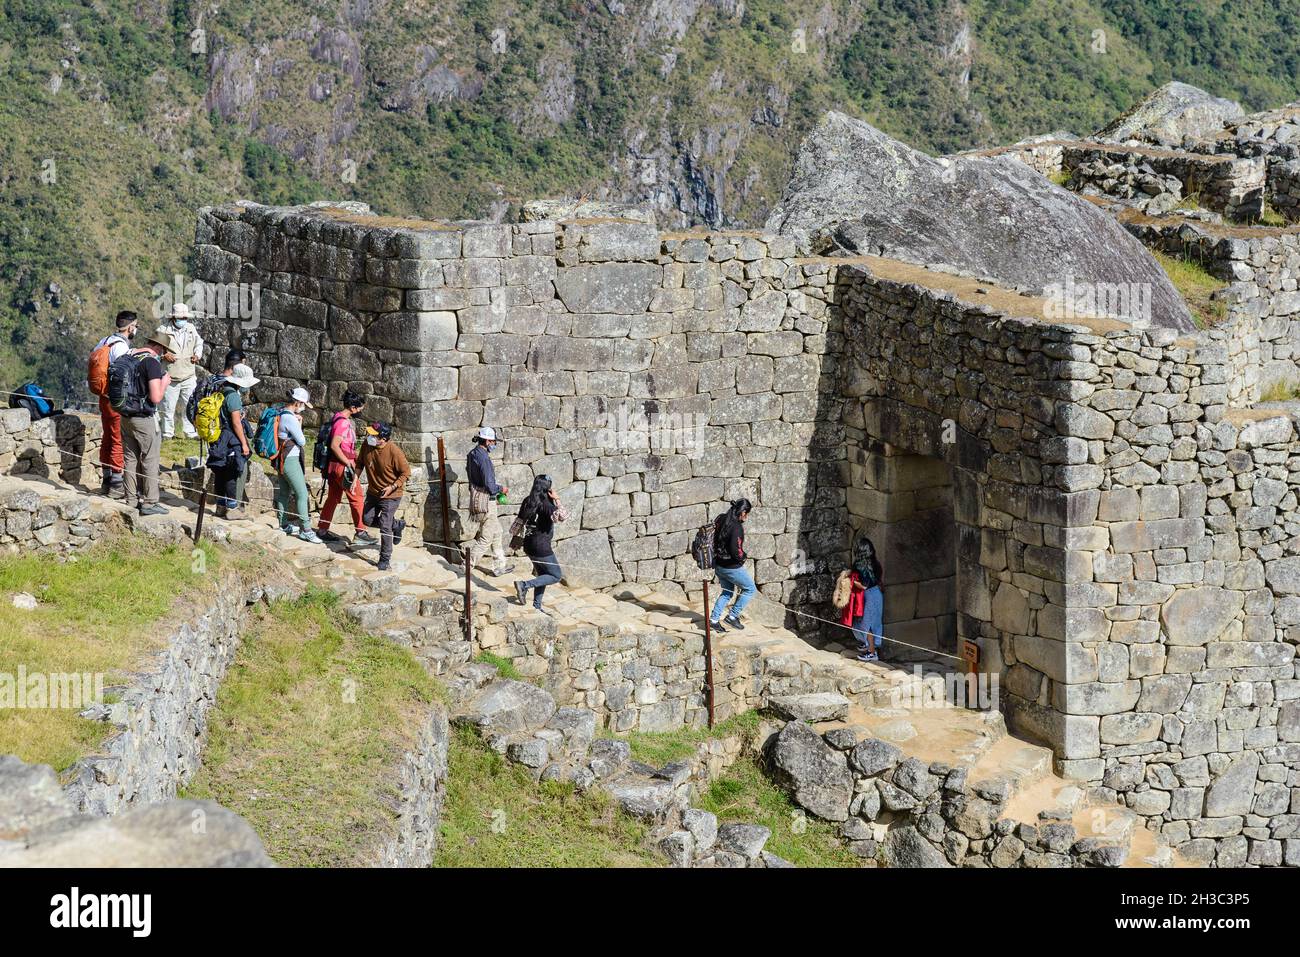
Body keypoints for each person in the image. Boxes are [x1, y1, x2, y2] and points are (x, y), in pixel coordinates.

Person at [115, 329, 172, 516]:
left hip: (125, 415)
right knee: (150, 459)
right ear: (159, 347)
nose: (163, 354)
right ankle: (150, 502)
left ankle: (130, 499)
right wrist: (164, 382)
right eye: (163, 350)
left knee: (130, 459)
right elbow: (155, 397)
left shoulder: (129, 355)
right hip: (143, 418)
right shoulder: (151, 363)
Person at [315, 389, 376, 546]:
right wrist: (348, 463)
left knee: (333, 498)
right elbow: (335, 445)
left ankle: (322, 529)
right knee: (357, 498)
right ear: (353, 407)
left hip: (333, 466)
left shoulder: (336, 417)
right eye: (360, 407)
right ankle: (361, 532)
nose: (361, 410)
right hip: (342, 465)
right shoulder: (343, 422)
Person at [91, 310, 137, 497]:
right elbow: (123, 376)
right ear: (131, 327)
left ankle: (107, 479)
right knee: (119, 438)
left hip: (103, 397)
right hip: (116, 400)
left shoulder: (103, 341)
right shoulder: (121, 348)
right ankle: (117, 485)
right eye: (136, 326)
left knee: (107, 437)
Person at [358, 421, 410, 571]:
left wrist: (392, 487)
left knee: (384, 526)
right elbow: (360, 463)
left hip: (391, 494)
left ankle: (385, 558)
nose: (369, 437)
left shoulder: (394, 452)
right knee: (366, 519)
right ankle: (397, 525)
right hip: (373, 492)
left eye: (373, 435)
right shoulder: (367, 446)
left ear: (384, 438)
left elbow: (406, 472)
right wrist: (355, 479)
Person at [207, 363, 256, 520]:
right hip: (230, 439)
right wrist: (243, 443)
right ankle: (232, 509)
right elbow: (235, 422)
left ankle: (220, 507)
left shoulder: (221, 388)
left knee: (221, 473)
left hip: (219, 437)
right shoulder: (233, 396)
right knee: (231, 473)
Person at [274, 386, 323, 544]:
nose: (303, 409)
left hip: (282, 459)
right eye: (303, 405)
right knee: (302, 494)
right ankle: (306, 530)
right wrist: (299, 424)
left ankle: (282, 524)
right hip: (290, 460)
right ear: (298, 403)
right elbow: (302, 441)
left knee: (284, 493)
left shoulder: (281, 412)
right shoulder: (290, 418)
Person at [512, 475, 565, 615]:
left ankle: (536, 606)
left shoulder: (528, 501)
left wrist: (514, 538)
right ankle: (524, 585)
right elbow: (562, 516)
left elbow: (518, 522)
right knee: (555, 575)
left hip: (528, 544)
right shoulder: (547, 504)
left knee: (542, 575)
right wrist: (557, 499)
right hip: (541, 547)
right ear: (548, 488)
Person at [155, 302, 204, 440]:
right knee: (168, 407)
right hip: (170, 377)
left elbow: (198, 343)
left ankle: (190, 432)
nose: (183, 320)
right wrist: (164, 355)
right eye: (180, 318)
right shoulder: (164, 330)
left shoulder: (190, 328)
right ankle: (167, 433)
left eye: (184, 318)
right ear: (173, 318)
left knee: (189, 405)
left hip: (188, 375)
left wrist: (197, 354)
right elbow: (154, 350)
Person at [465, 426, 509, 576]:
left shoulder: (472, 454)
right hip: (487, 501)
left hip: (477, 497)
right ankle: (467, 566)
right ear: (488, 441)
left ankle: (500, 564)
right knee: (486, 537)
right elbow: (490, 485)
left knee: (497, 531)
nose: (494, 444)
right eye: (493, 441)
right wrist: (501, 489)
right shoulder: (484, 458)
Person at [709, 498, 755, 633]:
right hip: (730, 567)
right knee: (750, 589)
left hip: (718, 564)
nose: (747, 517)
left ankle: (714, 620)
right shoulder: (736, 528)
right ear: (743, 512)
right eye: (747, 513)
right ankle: (733, 616)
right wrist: (743, 557)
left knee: (727, 592)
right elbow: (737, 551)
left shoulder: (721, 518)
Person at [842, 536, 884, 662]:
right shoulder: (876, 563)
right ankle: (867, 644)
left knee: (867, 624)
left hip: (869, 596)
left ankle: (872, 652)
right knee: (868, 622)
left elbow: (864, 586)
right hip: (876, 594)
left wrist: (852, 581)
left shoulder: (861, 567)